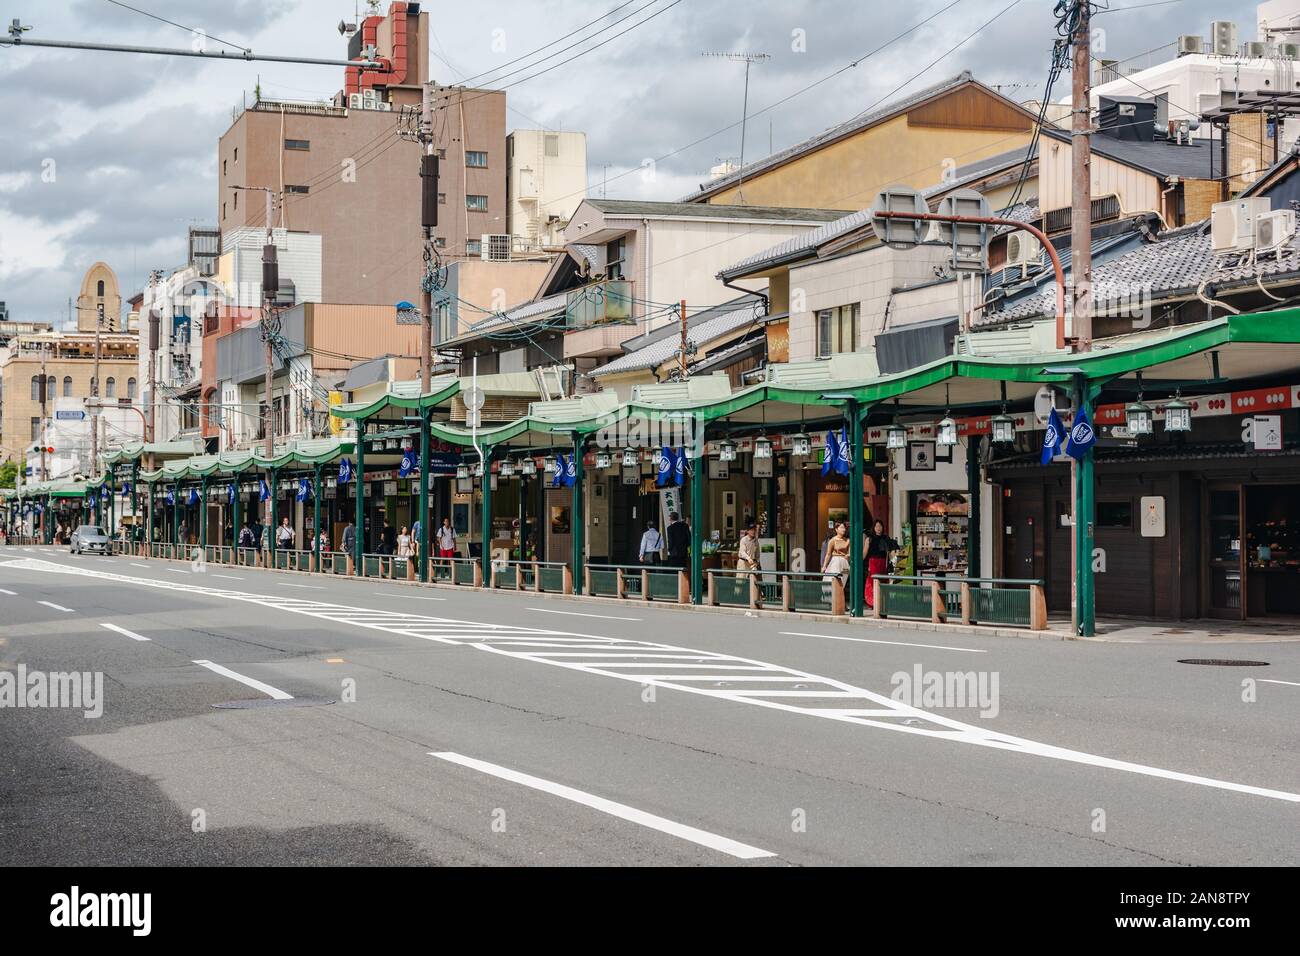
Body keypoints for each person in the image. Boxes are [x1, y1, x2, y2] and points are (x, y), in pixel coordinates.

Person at [865, 519, 900, 610]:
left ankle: (882, 601)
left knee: (883, 581)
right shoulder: (869, 538)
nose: (878, 528)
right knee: (872, 582)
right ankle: (872, 602)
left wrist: (894, 560)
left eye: (880, 526)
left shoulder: (886, 538)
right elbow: (864, 552)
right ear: (874, 528)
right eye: (876, 526)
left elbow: (891, 552)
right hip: (873, 562)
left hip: (883, 562)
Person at [821, 521, 851, 588]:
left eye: (844, 528)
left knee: (843, 581)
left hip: (845, 563)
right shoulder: (832, 540)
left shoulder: (848, 540)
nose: (844, 529)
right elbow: (828, 554)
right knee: (834, 581)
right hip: (835, 562)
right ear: (836, 529)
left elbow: (850, 553)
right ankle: (833, 597)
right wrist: (824, 566)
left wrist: (848, 555)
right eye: (842, 528)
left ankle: (839, 597)